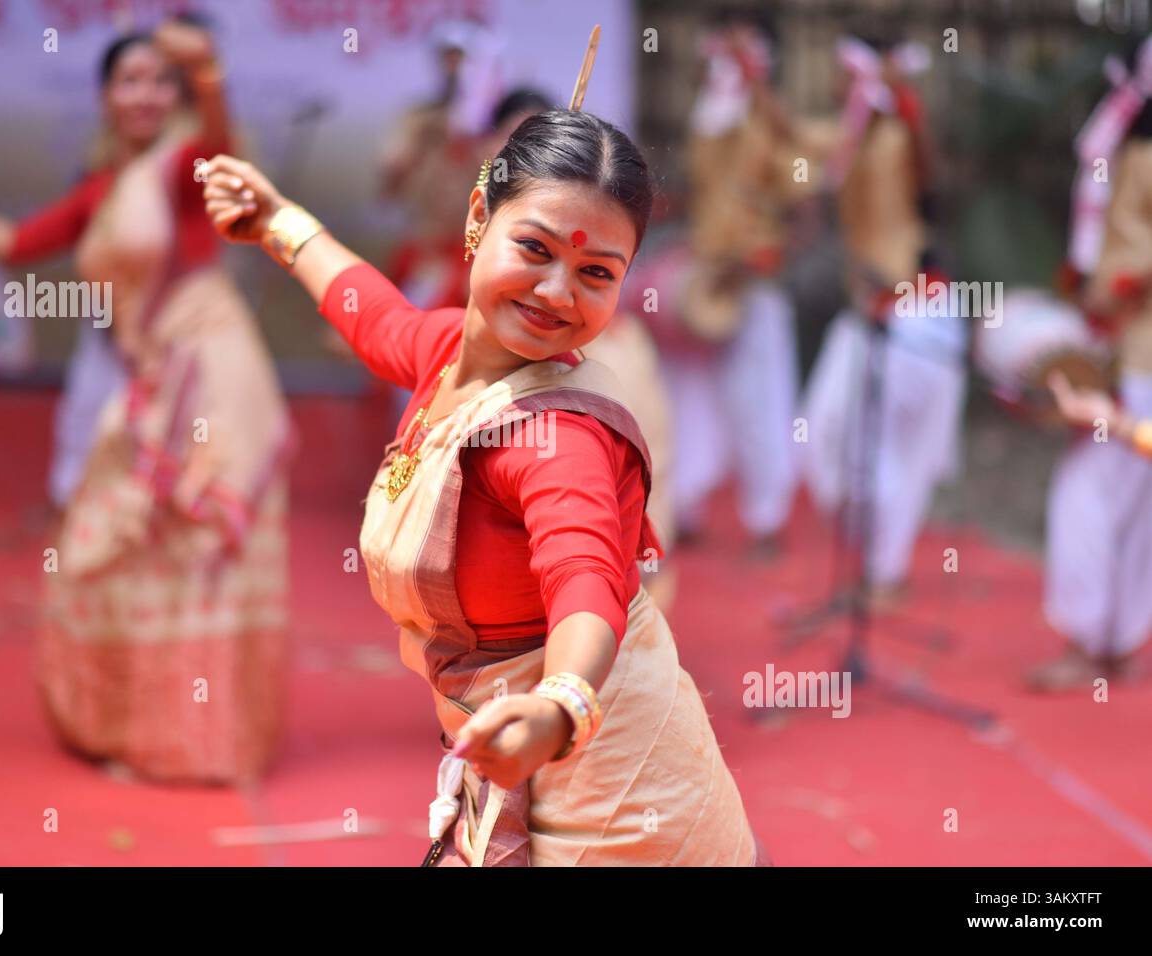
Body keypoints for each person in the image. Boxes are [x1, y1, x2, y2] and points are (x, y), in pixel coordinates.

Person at [202, 107, 760, 865]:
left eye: (597, 273)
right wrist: (277, 220)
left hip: (618, 787)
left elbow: (587, 581)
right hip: (522, 745)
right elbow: (373, 314)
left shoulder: (556, 437)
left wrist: (560, 705)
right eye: (534, 248)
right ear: (478, 217)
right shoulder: (445, 357)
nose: (558, 292)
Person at [0, 19, 292, 783]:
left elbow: (221, 143)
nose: (144, 94)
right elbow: (16, 243)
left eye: (158, 80)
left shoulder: (185, 167)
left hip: (210, 370)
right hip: (146, 377)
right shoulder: (103, 190)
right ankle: (135, 728)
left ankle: (208, 744)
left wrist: (206, 74)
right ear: (105, 96)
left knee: (192, 547)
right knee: (107, 546)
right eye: (128, 80)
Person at [798, 33, 966, 608]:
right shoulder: (840, 138)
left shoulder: (901, 135)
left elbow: (930, 174)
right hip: (867, 314)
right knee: (825, 431)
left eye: (847, 74)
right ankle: (874, 568)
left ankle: (884, 576)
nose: (838, 84)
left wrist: (907, 105)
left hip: (916, 311)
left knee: (891, 451)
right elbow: (792, 144)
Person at [1028, 35, 1152, 691]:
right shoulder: (1128, 148)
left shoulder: (1138, 151)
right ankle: (1115, 644)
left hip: (1140, 355)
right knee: (1131, 505)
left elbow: (1131, 260)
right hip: (1131, 351)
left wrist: (1110, 291)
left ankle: (1088, 642)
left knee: (1087, 495)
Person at [671, 21, 804, 553]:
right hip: (703, 285)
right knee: (688, 398)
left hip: (754, 286)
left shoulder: (771, 130)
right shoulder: (705, 121)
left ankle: (766, 520)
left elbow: (802, 203)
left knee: (759, 406)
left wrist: (757, 261)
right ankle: (683, 504)